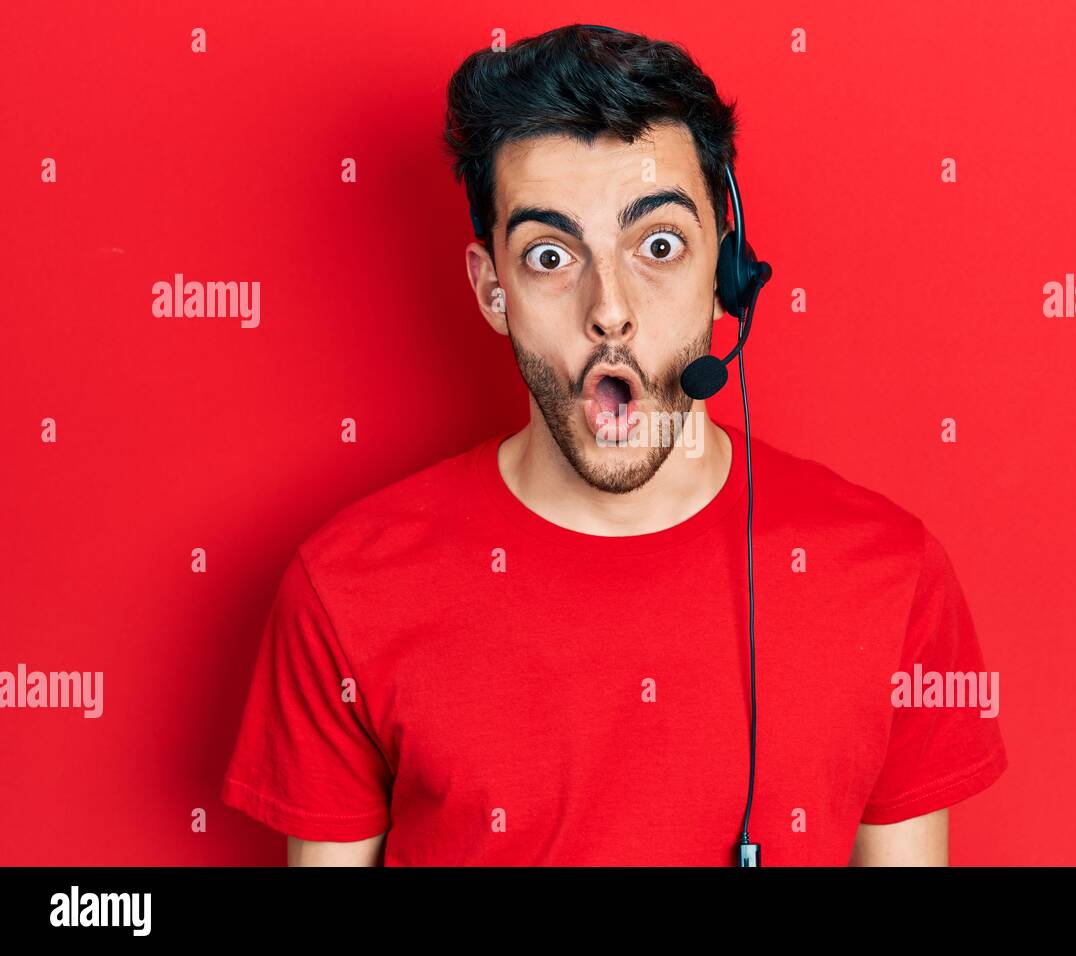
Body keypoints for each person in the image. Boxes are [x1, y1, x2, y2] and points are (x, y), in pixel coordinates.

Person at [220, 22, 1007, 866]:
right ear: (494, 291)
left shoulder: (891, 575)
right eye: (552, 255)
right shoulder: (345, 589)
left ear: (726, 271)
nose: (610, 309)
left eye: (658, 246)